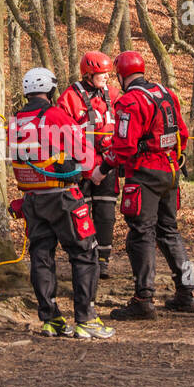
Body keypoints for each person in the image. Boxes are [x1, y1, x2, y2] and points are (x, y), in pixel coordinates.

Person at [90, 50, 194, 319]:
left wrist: (102, 169)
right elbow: (182, 133)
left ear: (121, 75)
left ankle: (143, 298)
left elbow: (124, 146)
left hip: (145, 173)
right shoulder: (166, 93)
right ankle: (187, 291)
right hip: (171, 171)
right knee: (170, 232)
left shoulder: (131, 101)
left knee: (141, 234)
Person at [9, 67, 114, 339]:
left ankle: (51, 319)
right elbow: (84, 154)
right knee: (85, 253)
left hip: (32, 200)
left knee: (41, 257)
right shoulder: (55, 115)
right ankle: (86, 319)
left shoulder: (16, 119)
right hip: (63, 197)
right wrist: (90, 169)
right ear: (51, 89)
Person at [58, 50, 118, 278]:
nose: (106, 78)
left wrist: (105, 167)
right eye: (102, 74)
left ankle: (103, 261)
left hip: (106, 167)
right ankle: (84, 258)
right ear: (88, 74)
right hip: (81, 167)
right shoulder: (69, 98)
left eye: (107, 74)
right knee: (81, 213)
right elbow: (63, 133)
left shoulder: (112, 94)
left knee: (106, 214)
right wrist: (87, 168)